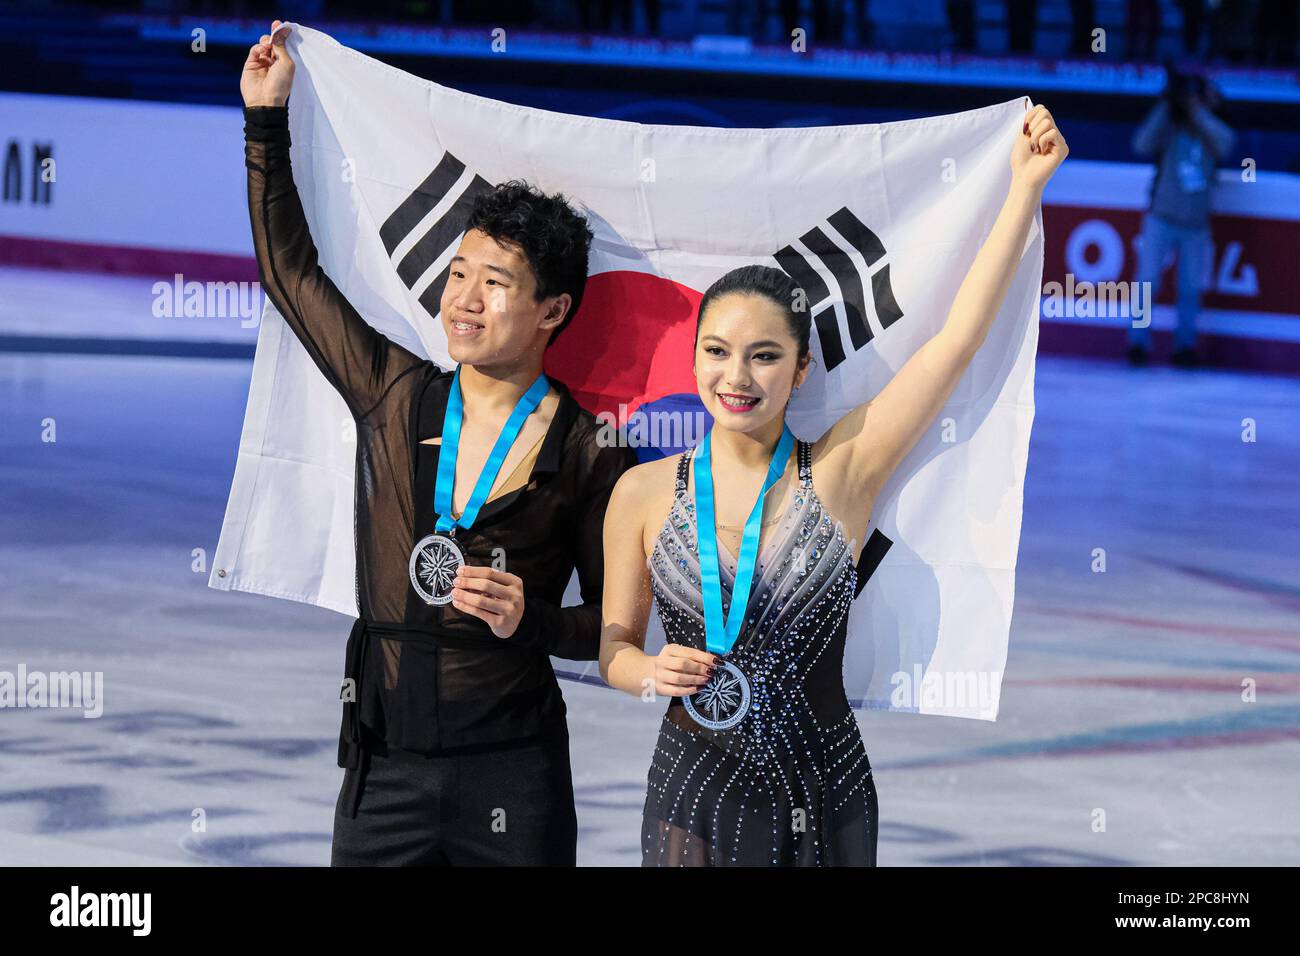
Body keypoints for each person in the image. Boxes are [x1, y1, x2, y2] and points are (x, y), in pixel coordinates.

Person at [599, 107, 1068, 865]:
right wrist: (647, 670)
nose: (737, 376)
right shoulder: (643, 494)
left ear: (801, 369)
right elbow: (614, 647)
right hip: (691, 785)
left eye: (763, 356)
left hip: (823, 784)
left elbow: (956, 340)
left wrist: (1023, 188)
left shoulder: (844, 470)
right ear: (693, 362)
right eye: (718, 351)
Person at [240, 22, 637, 865]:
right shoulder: (395, 392)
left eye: (495, 284)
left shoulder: (588, 448)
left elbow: (612, 624)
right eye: (459, 275)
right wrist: (265, 124)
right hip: (384, 778)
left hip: (514, 781)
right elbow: (290, 274)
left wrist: (532, 618)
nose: (465, 299)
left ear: (553, 312)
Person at [1127, 70, 1235, 368]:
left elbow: (1226, 144)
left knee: (1190, 287)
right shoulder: (1169, 126)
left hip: (1196, 225)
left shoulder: (1213, 128)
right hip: (1161, 217)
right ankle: (1138, 343)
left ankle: (1184, 346)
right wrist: (1166, 104)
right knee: (1147, 282)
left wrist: (1197, 112)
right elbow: (1141, 144)